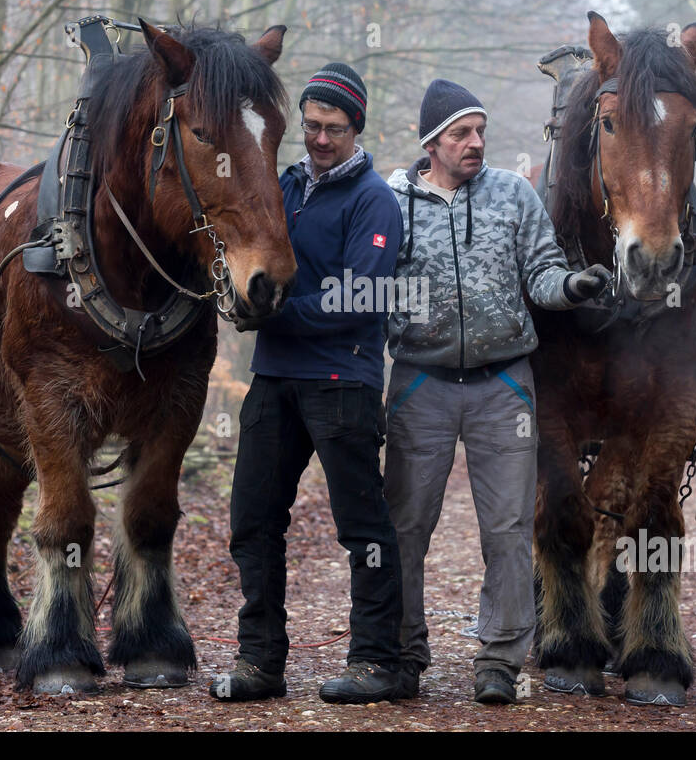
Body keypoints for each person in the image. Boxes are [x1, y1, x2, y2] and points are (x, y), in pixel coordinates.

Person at [384, 79, 608, 704]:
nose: (475, 143)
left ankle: (500, 661)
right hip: (418, 385)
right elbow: (369, 284)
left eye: (480, 131)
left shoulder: (512, 195)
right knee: (405, 525)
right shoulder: (390, 200)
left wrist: (572, 287)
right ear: (430, 142)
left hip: (503, 384)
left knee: (507, 527)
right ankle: (402, 653)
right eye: (461, 134)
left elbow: (541, 271)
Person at [210, 63, 405, 704]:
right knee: (252, 521)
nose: (320, 139)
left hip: (342, 383)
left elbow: (359, 296)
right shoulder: (284, 184)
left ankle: (378, 662)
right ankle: (260, 662)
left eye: (335, 128)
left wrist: (270, 311)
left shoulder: (374, 199)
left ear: (357, 128)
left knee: (362, 526)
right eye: (313, 126)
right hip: (273, 380)